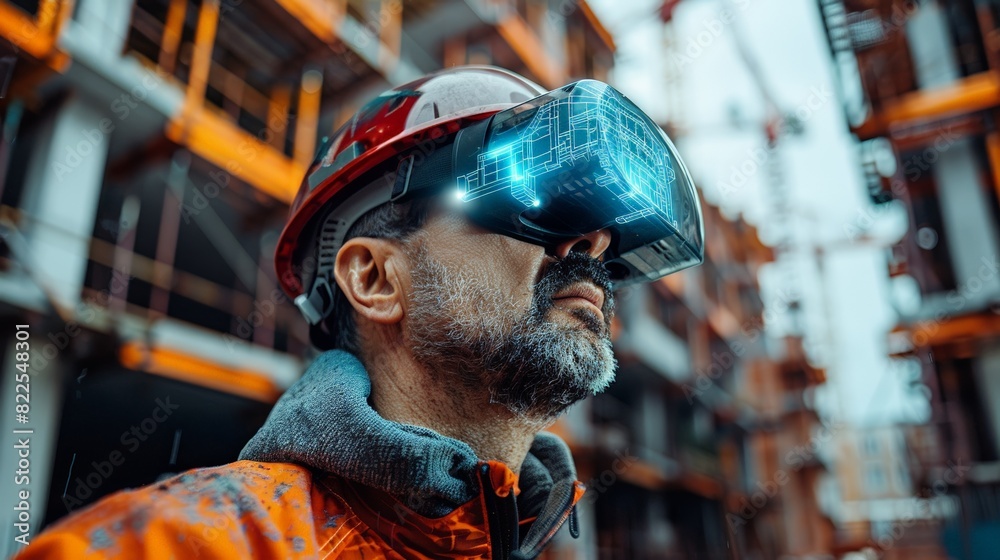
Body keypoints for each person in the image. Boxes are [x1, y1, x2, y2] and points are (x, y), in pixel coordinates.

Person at [16, 66, 703, 559]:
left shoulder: (541, 539)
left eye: (605, 232)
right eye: (533, 195)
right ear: (374, 279)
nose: (593, 245)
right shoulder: (186, 542)